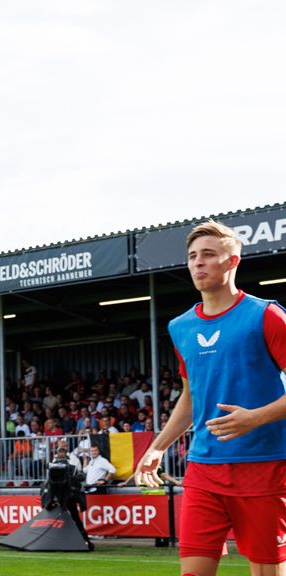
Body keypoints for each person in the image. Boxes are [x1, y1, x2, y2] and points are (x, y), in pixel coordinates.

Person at [135, 220, 286, 576]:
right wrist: (158, 446)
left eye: (208, 255)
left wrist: (257, 417)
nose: (198, 263)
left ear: (231, 262)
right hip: (203, 468)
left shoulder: (267, 316)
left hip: (264, 465)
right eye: (192, 257)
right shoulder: (180, 326)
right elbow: (190, 397)